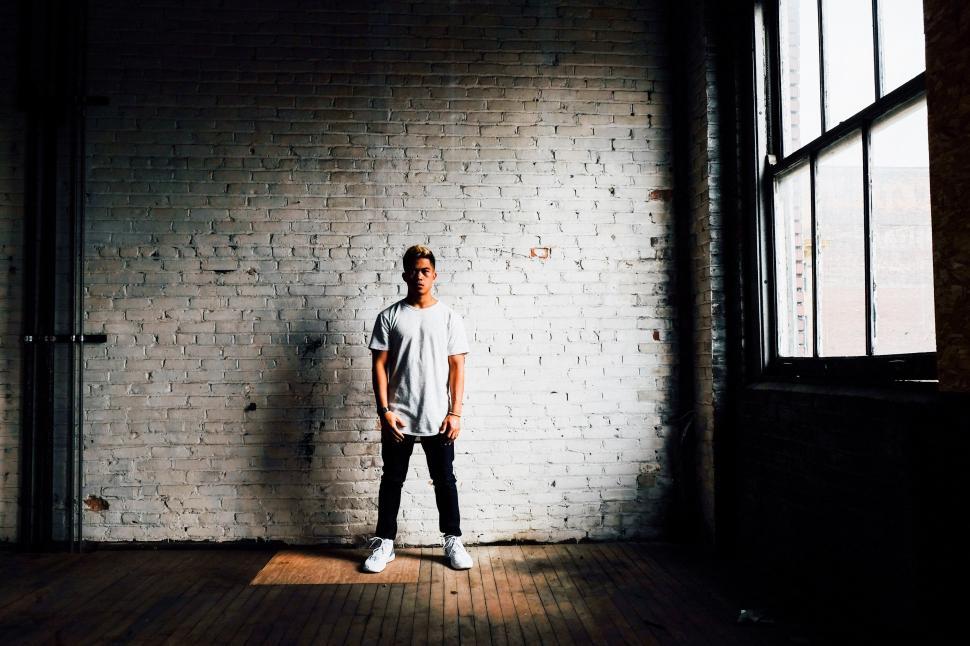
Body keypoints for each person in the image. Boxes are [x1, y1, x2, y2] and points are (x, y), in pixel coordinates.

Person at [362, 244, 473, 573]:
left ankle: (452, 539)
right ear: (405, 274)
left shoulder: (449, 317)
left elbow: (458, 368)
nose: (419, 276)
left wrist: (455, 413)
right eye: (414, 270)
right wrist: (384, 411)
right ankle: (385, 543)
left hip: (438, 417)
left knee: (445, 481)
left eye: (426, 271)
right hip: (398, 416)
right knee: (391, 480)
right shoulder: (390, 317)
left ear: (434, 275)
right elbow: (379, 367)